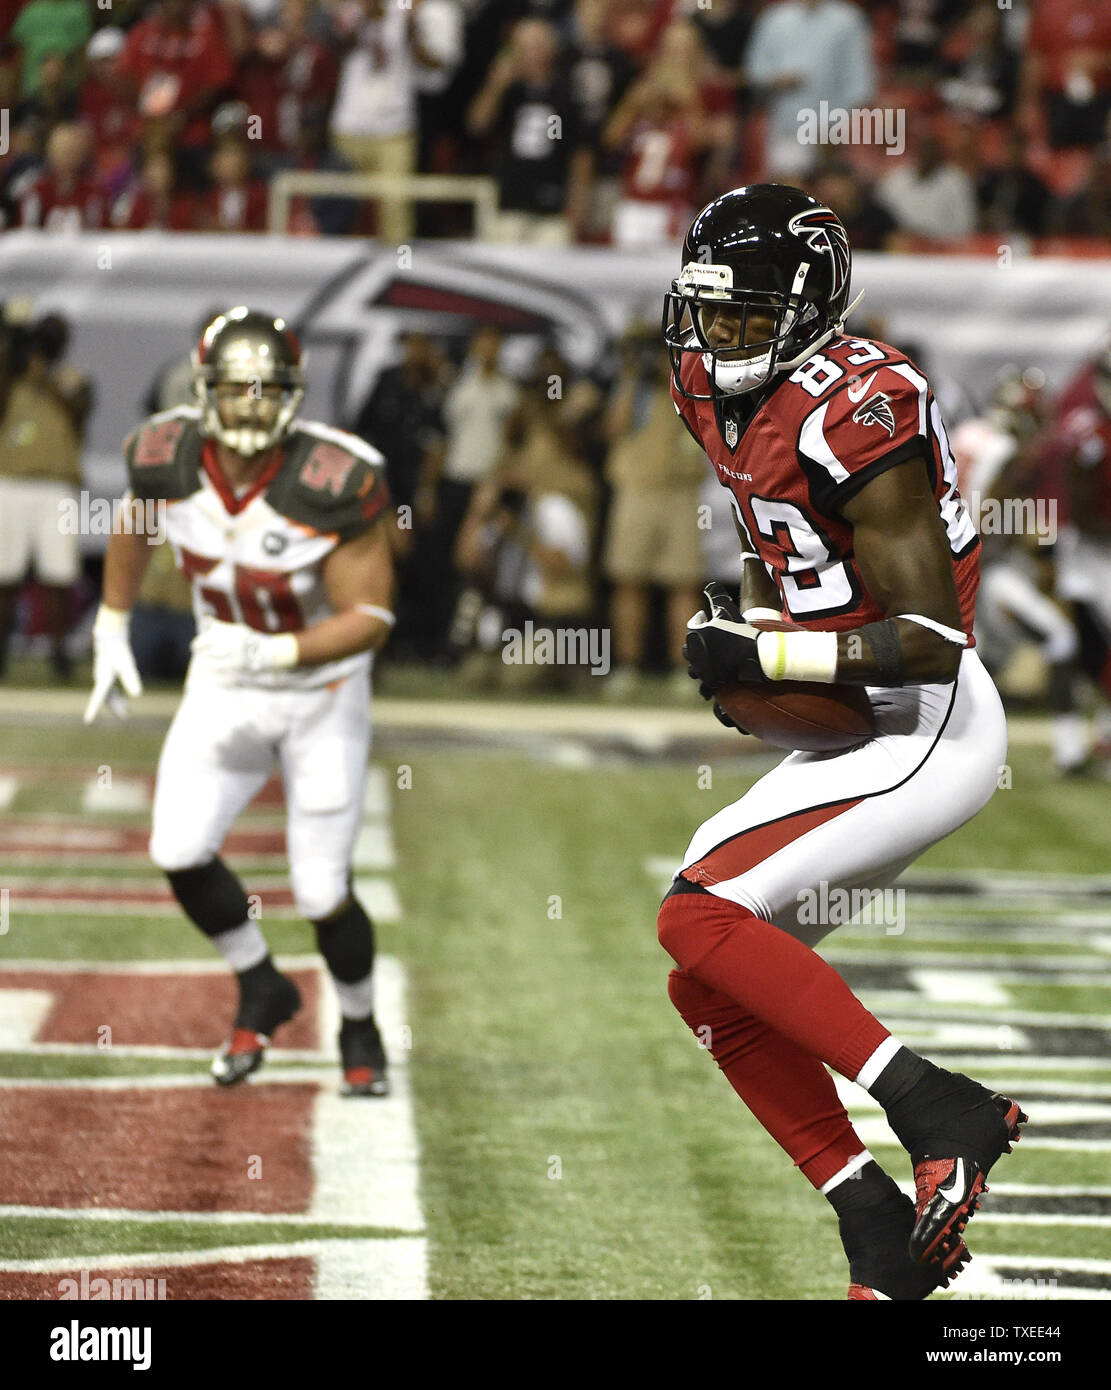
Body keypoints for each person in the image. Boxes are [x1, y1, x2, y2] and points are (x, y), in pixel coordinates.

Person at [658, 184, 1027, 1300]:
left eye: (745, 313)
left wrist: (769, 657)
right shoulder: (698, 383)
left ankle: (935, 1103)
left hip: (929, 719)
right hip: (859, 717)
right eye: (708, 312)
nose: (719, 338)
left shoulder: (861, 404)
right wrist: (767, 639)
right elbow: (787, 547)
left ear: (810, 306)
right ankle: (871, 1224)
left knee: (698, 912)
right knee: (711, 980)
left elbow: (924, 636)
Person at [84, 307, 396, 1097]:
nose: (251, 404)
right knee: (178, 849)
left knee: (322, 888)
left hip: (318, 690)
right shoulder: (163, 453)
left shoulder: (337, 474)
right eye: (235, 388)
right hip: (223, 680)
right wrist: (112, 621)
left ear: (291, 393)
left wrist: (281, 650)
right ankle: (261, 982)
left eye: (266, 389)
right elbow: (135, 519)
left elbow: (371, 617)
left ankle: (359, 1022)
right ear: (204, 391)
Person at [0, 310, 88, 679]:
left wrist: (45, 375)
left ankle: (59, 651)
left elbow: (80, 409)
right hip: (11, 481)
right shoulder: (10, 378)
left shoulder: (71, 379)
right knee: (5, 576)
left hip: (56, 485)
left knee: (59, 576)